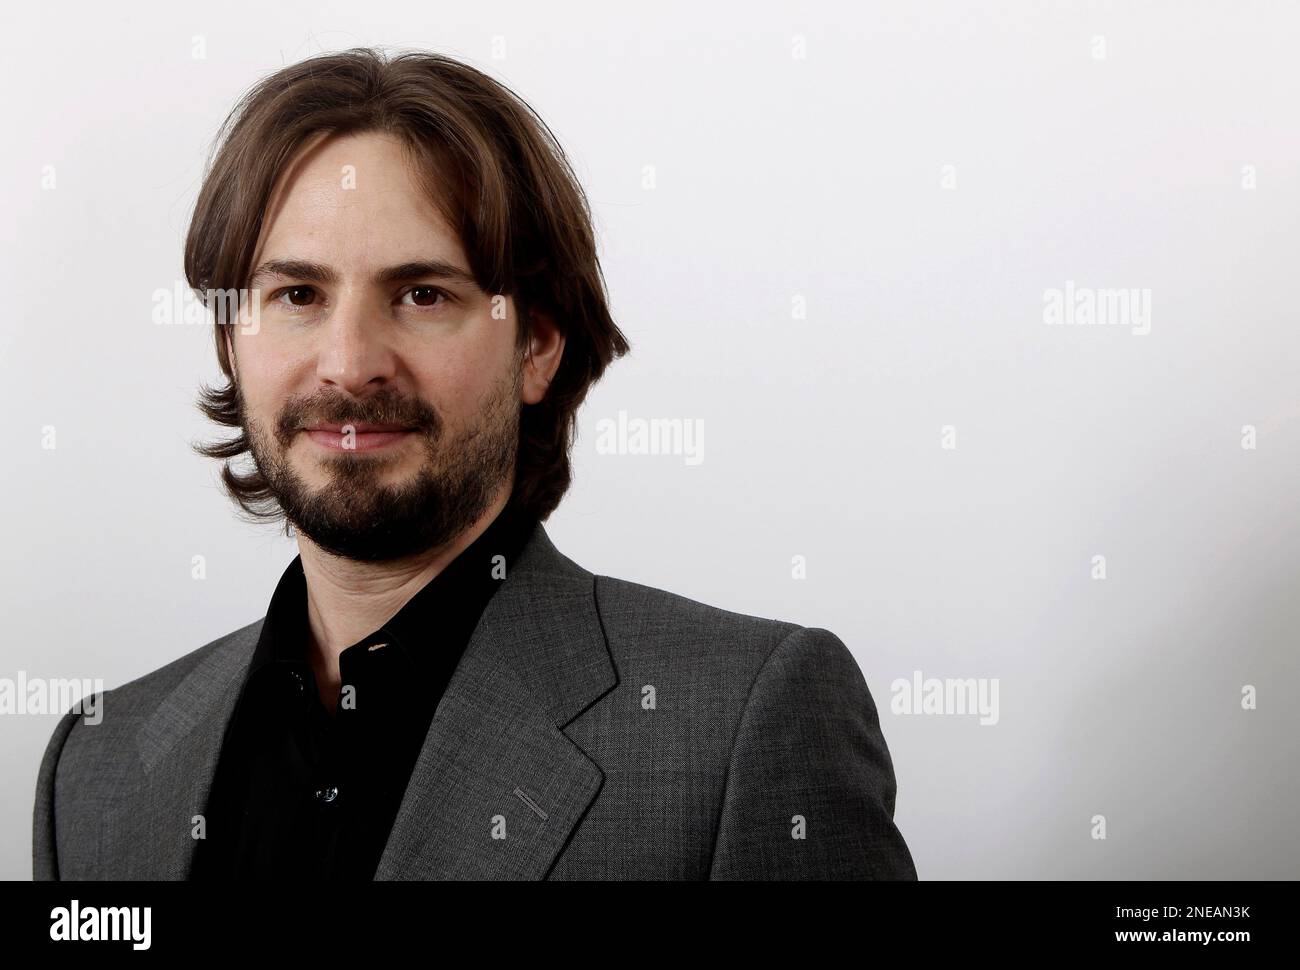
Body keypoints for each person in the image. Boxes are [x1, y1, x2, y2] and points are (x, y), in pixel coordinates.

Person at [32, 47, 916, 880]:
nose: (349, 362)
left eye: (422, 294)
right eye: (297, 295)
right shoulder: (98, 770)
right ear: (233, 338)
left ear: (536, 344)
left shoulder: (745, 724)